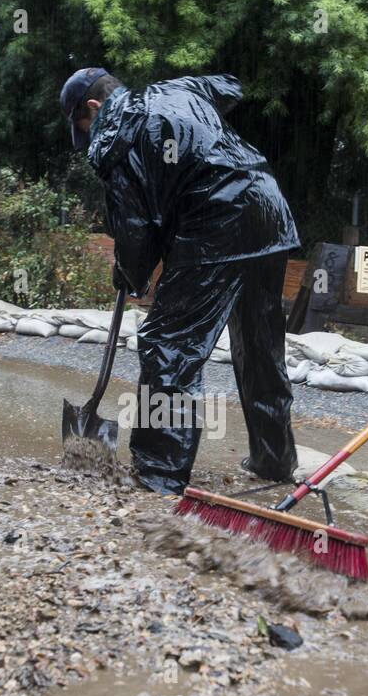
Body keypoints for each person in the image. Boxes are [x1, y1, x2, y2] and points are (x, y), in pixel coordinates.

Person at [59, 67, 300, 495]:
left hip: (216, 225)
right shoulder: (179, 88)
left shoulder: (117, 135)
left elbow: (136, 228)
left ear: (94, 107)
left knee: (169, 343)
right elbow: (231, 85)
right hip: (268, 210)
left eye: (84, 127)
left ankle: (160, 474)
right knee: (259, 343)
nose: (90, 137)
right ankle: (274, 457)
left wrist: (129, 271)